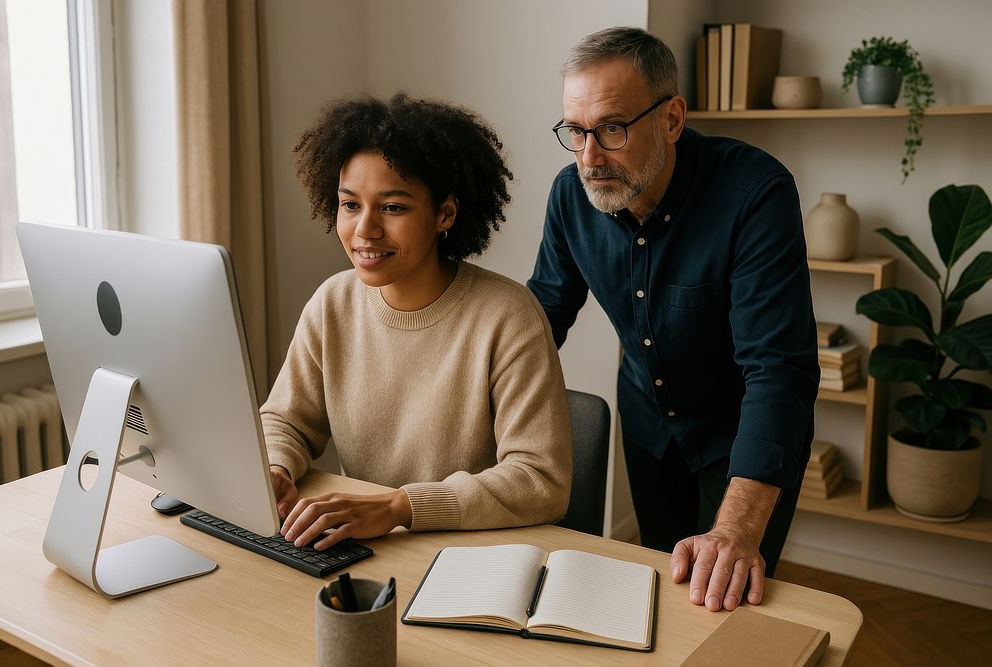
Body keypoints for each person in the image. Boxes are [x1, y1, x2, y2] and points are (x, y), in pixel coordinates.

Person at [527, 27, 819, 612]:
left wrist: (735, 530)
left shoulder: (756, 194)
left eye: (612, 128)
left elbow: (777, 368)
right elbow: (540, 321)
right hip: (649, 426)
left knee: (724, 600)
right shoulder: (571, 195)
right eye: (576, 132)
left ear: (672, 118)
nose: (589, 157)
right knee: (658, 589)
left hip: (744, 438)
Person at [262, 93, 572, 552]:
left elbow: (539, 480)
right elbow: (286, 420)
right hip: (364, 548)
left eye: (392, 208)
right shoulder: (333, 302)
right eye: (350, 204)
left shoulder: (508, 316)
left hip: (473, 558)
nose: (364, 229)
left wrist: (399, 507)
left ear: (445, 213)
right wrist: (275, 469)